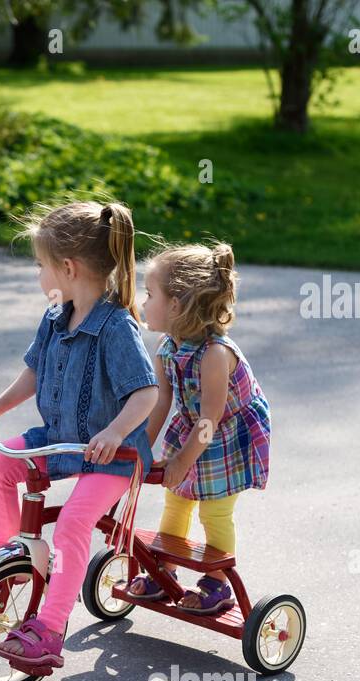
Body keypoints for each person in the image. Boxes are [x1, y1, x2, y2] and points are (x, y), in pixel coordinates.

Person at [0, 199, 159, 674]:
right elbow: (33, 372)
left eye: (39, 265)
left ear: (66, 268)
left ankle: (49, 628)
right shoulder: (55, 315)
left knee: (72, 522)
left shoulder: (116, 327)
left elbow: (146, 394)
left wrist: (114, 432)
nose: (38, 275)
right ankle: (10, 563)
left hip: (114, 454)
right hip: (61, 438)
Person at [125, 241, 271, 614]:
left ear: (176, 304)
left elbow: (210, 420)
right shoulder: (166, 346)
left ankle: (217, 582)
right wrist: (141, 448)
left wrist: (181, 462)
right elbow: (159, 401)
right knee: (176, 500)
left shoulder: (215, 354)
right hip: (192, 429)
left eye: (149, 294)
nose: (143, 302)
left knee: (214, 511)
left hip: (223, 435)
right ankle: (165, 568)